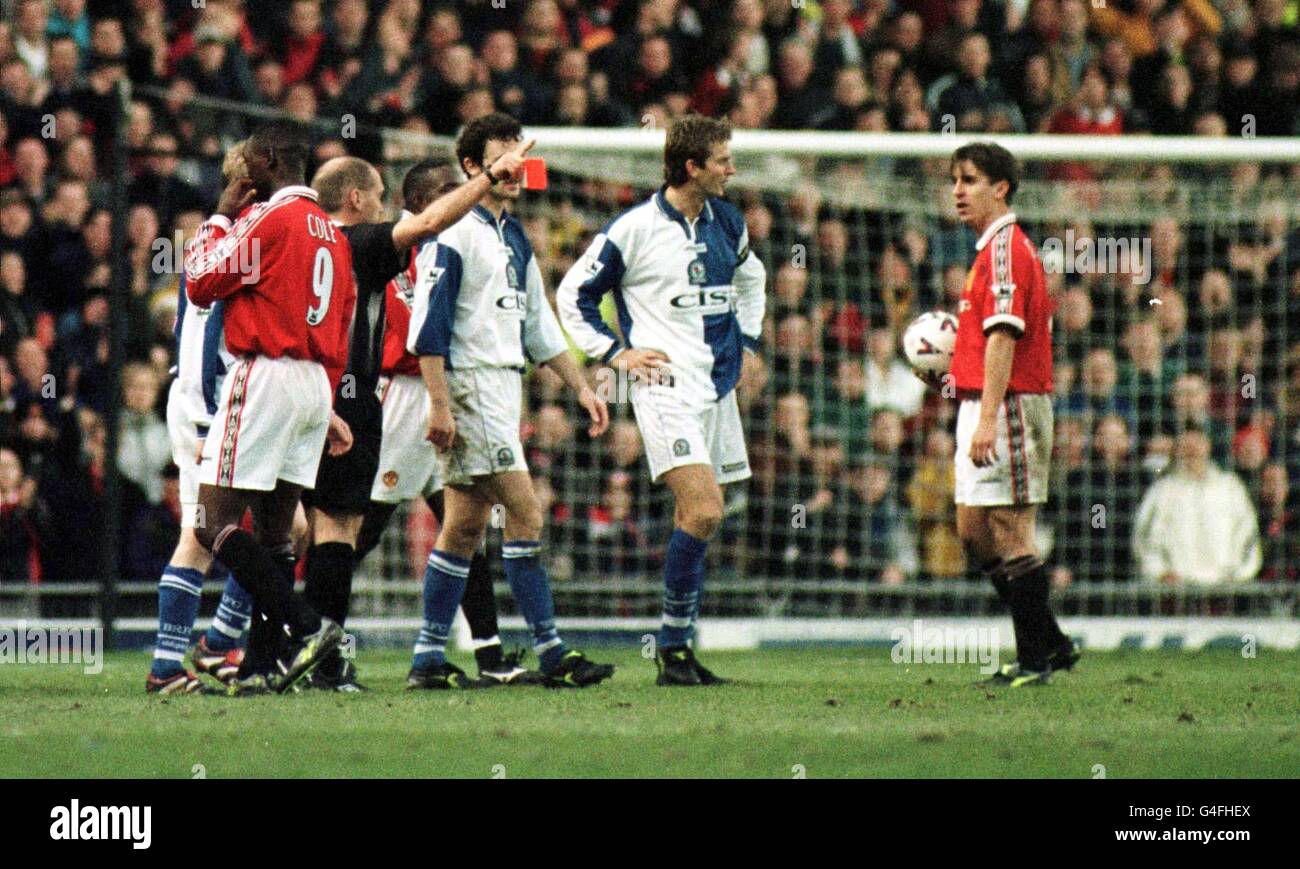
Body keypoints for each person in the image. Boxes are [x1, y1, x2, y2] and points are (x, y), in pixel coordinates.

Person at [299, 129, 537, 692]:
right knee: (358, 527)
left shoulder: (447, 248)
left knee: (465, 526)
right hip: (402, 398)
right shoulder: (394, 245)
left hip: (444, 399)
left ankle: (486, 652)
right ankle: (302, 633)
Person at [406, 112, 614, 689]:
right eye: (504, 160)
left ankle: (426, 658)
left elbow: (540, 327)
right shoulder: (453, 234)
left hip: (505, 386)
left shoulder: (514, 236)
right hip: (471, 385)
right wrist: (439, 403)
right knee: (525, 511)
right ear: (473, 167)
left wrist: (580, 387)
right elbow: (428, 327)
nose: (517, 170)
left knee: (465, 526)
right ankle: (552, 652)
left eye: (521, 158)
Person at [557, 115, 767, 686]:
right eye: (723, 159)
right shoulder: (633, 229)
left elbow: (753, 281)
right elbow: (573, 292)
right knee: (704, 510)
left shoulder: (728, 219)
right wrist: (614, 353)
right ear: (692, 167)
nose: (732, 168)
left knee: (695, 516)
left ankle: (675, 653)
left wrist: (747, 341)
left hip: (718, 386)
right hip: (664, 387)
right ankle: (672, 646)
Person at [184, 121, 356, 694]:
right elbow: (342, 322)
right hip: (313, 382)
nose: (242, 174)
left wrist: (218, 216)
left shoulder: (270, 217)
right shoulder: (332, 232)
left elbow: (202, 282)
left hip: (265, 374)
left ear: (267, 160)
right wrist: (327, 401)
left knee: (212, 521)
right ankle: (262, 666)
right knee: (278, 534)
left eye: (249, 163)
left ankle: (307, 627)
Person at [946, 141, 1077, 687]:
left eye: (970, 179)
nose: (958, 190)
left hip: (1011, 406)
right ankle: (1050, 641)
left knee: (1012, 529)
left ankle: (1034, 661)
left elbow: (1004, 338)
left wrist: (988, 417)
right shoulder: (988, 251)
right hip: (986, 401)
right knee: (973, 530)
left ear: (1001, 188)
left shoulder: (1005, 249)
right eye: (954, 179)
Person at [145, 142, 255, 694]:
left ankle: (217, 642)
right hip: (211, 408)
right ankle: (169, 665)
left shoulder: (210, 238)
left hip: (207, 402)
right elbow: (215, 337)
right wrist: (216, 407)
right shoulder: (243, 248)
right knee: (202, 535)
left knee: (290, 529)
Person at [1132, 425, 1261, 585]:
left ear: (1208, 446)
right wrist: (1160, 573)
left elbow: (1248, 535)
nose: (1192, 452)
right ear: (1177, 450)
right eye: (1186, 447)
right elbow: (1144, 539)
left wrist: (1240, 576)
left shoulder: (1231, 488)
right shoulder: (1161, 491)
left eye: (1197, 445)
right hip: (1176, 593)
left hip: (1225, 591)